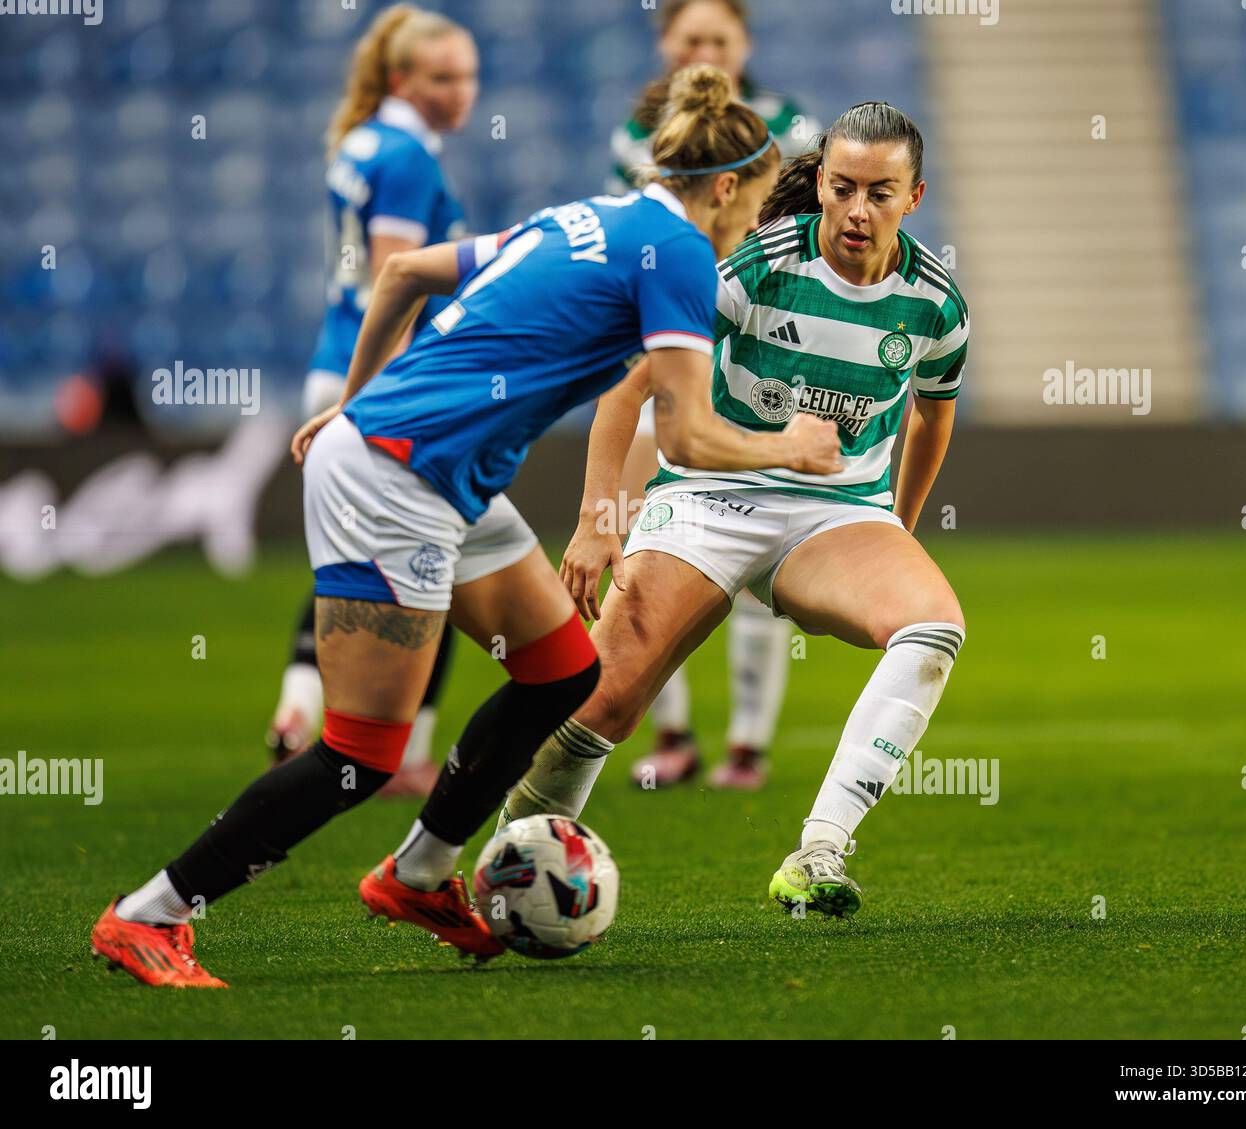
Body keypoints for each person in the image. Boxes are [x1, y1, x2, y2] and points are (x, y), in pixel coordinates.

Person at [90, 66, 841, 987]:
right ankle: (149, 912)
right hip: (395, 477)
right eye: (756, 198)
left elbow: (404, 273)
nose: (751, 218)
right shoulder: (679, 250)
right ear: (725, 186)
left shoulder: (589, 217)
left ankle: (418, 874)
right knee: (359, 755)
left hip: (433, 467)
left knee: (564, 667)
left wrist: (357, 399)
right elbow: (684, 430)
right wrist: (794, 449)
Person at [503, 101, 970, 920]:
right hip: (709, 495)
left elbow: (935, 411)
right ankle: (507, 862)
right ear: (820, 182)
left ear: (915, 196)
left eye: (881, 194)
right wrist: (597, 516)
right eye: (844, 187)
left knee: (934, 625)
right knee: (605, 697)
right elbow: (632, 378)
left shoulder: (936, 304)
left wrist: (900, 519)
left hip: (838, 512)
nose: (859, 211)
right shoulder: (756, 263)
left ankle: (820, 847)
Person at [608, 0, 822, 788]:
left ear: (746, 44)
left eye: (719, 38)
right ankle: (671, 736)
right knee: (651, 544)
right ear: (666, 42)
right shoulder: (636, 138)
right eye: (691, 37)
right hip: (669, 343)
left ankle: (746, 745)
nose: (705, 49)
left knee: (761, 537)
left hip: (762, 351)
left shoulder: (793, 127)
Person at [268, 4, 478, 798]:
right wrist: (381, 399)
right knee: (444, 561)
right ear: (402, 79)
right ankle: (408, 752)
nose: (460, 93)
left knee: (347, 562)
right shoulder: (408, 160)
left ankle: (299, 708)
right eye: (442, 77)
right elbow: (395, 280)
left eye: (467, 76)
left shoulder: (359, 142)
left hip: (333, 367)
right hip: (381, 380)